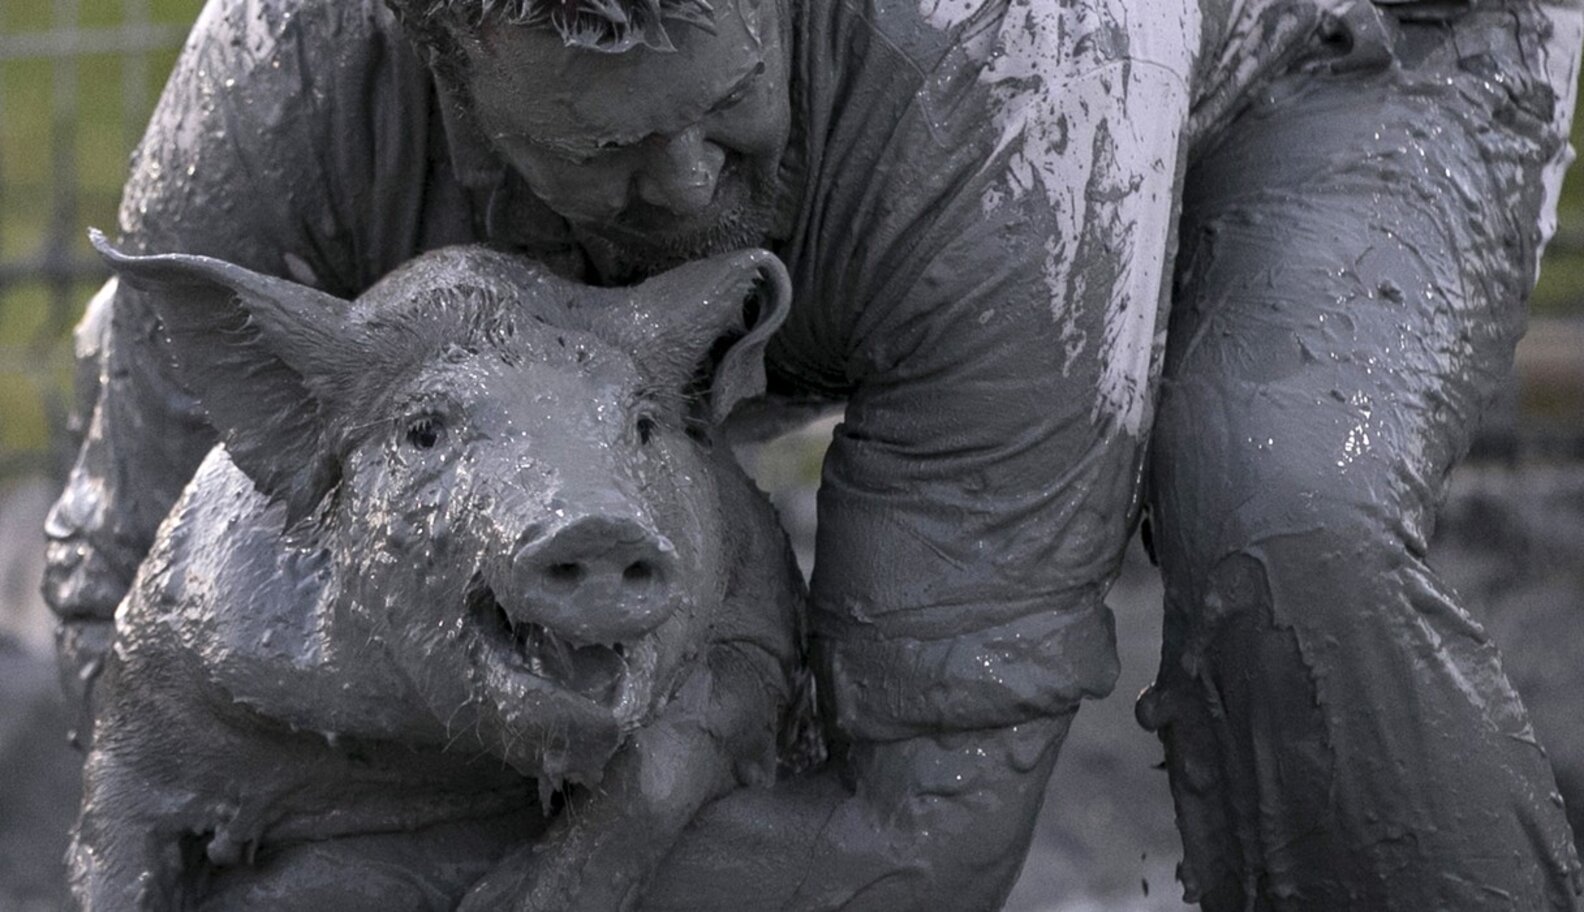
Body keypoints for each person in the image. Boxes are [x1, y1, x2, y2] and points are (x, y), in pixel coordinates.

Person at [42, 0, 1584, 907]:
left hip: (1346, 46)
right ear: (438, 61)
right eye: (613, 149)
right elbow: (125, 632)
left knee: (1275, 502)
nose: (699, 180)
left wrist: (395, 885)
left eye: (724, 110)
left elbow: (930, 821)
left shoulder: (998, 91)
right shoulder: (285, 81)